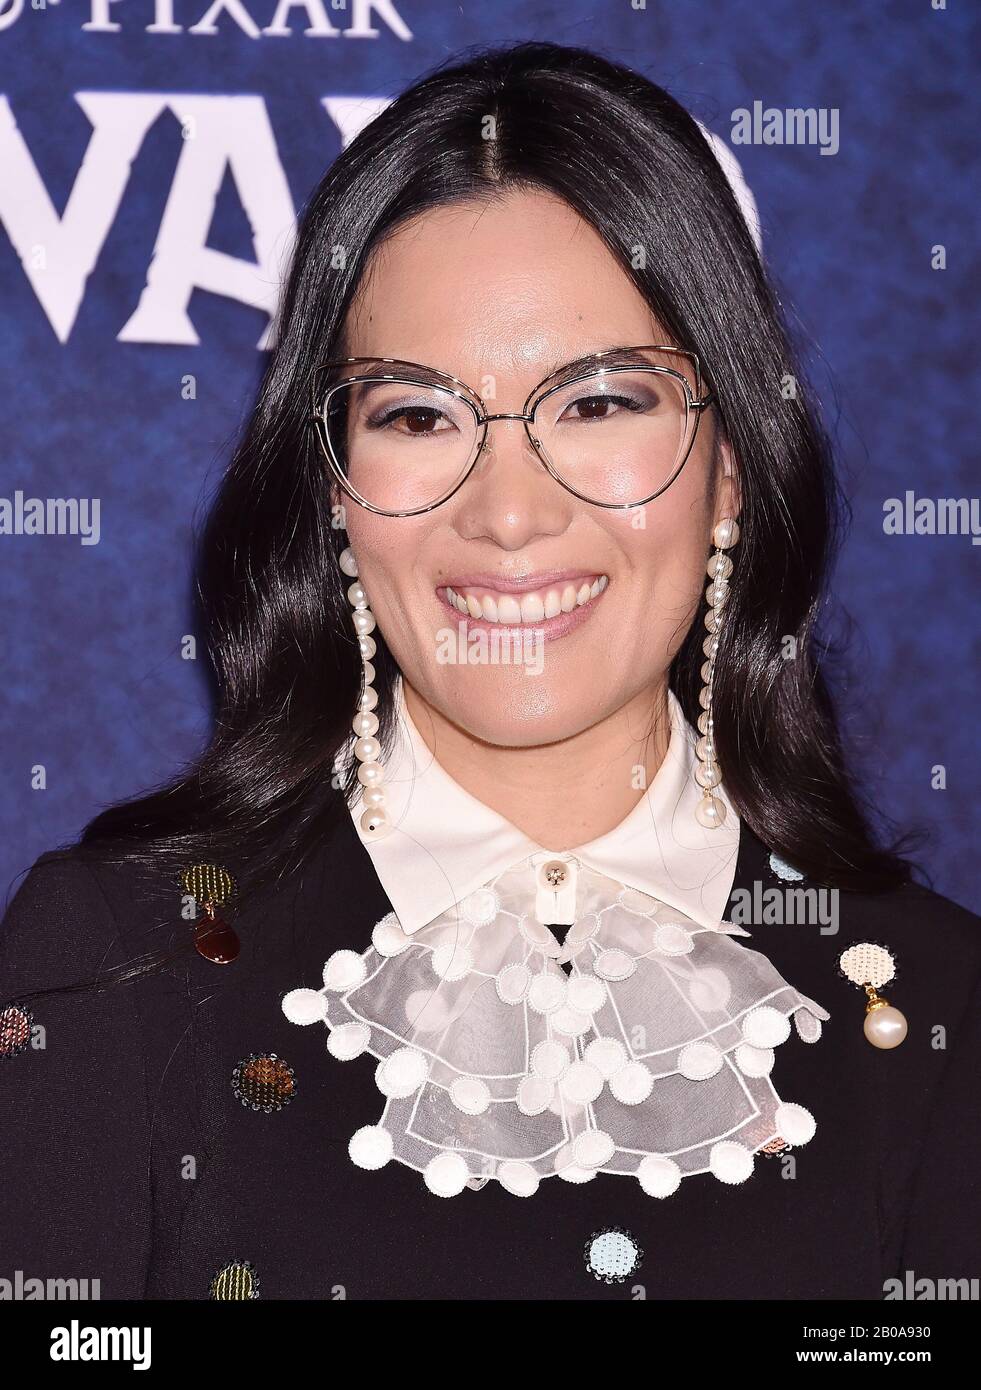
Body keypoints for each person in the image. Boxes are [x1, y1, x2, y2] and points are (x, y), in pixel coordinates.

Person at [1, 40, 978, 1302]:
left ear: (731, 462)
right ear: (333, 491)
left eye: (602, 402)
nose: (509, 513)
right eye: (417, 416)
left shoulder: (936, 1010)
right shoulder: (111, 961)